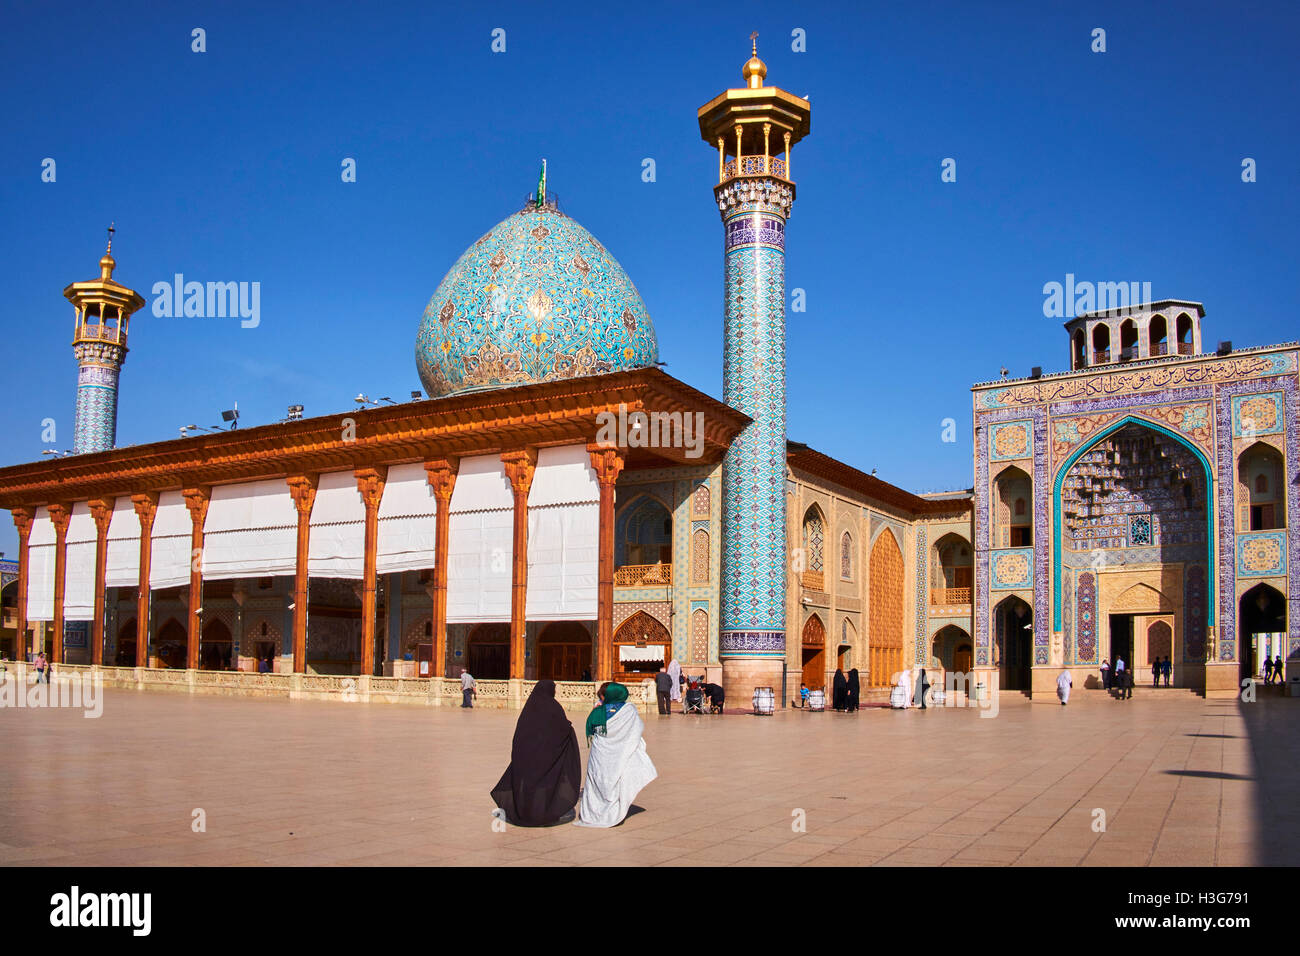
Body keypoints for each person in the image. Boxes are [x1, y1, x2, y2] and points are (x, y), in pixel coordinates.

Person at [490, 679, 581, 827]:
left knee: (528, 785)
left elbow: (519, 734)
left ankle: (525, 813)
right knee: (544, 785)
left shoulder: (529, 708)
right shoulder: (554, 707)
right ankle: (542, 815)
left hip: (527, 755)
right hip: (546, 756)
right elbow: (563, 728)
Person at [575, 682, 658, 828]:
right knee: (615, 780)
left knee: (597, 781)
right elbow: (636, 729)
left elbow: (593, 728)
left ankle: (594, 811)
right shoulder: (629, 710)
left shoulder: (598, 711)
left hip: (600, 754)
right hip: (620, 754)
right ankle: (612, 808)